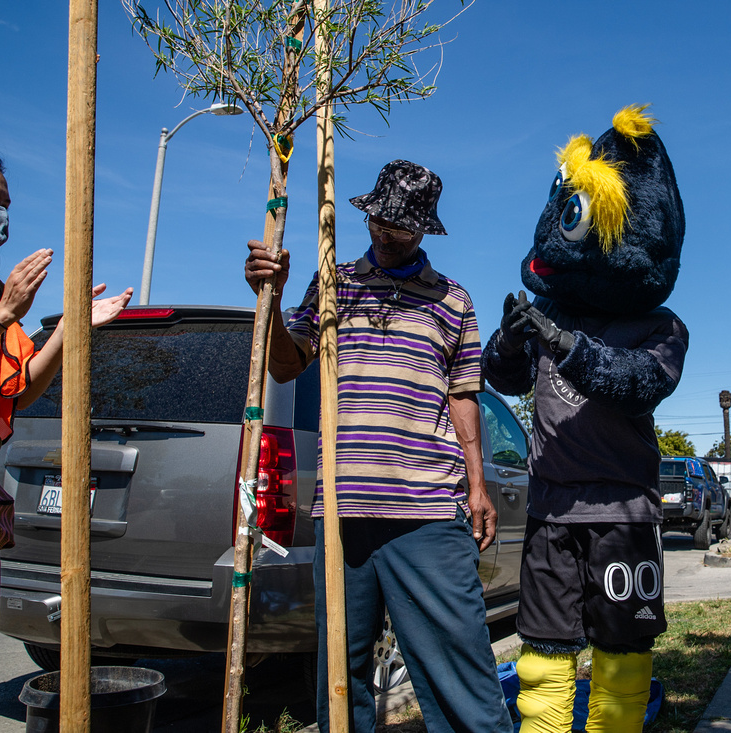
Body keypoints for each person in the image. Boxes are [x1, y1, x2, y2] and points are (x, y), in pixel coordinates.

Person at [243, 159, 511, 733]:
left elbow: (464, 396)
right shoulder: (333, 283)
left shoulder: (453, 300)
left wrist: (479, 485)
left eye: (402, 226)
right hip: (342, 510)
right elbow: (288, 367)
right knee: (342, 673)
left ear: (423, 230)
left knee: (458, 667)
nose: (387, 234)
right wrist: (273, 296)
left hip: (427, 511)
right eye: (380, 221)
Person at [482, 106, 688, 733]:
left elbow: (639, 384)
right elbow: (506, 378)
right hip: (550, 512)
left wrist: (569, 346)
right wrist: (512, 342)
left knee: (622, 657)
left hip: (623, 514)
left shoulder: (661, 326)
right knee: (542, 655)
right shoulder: (549, 311)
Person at [0, 144, 131, 733]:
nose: (0, 217)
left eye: (6, 205)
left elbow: (19, 389)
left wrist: (74, 324)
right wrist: (4, 315)